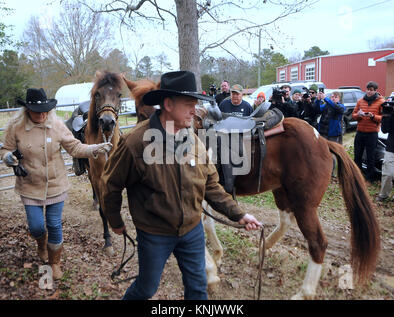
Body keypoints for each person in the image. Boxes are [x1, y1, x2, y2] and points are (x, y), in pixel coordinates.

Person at [99, 71, 261, 300]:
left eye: (195, 104)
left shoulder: (194, 141)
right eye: (188, 104)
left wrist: (240, 214)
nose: (194, 110)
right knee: (146, 288)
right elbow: (111, 185)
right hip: (154, 234)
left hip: (192, 232)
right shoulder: (135, 142)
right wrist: (115, 221)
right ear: (168, 104)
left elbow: (212, 185)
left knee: (198, 288)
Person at [0, 88, 112, 280]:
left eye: (45, 110)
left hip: (55, 184)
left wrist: (95, 148)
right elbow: (6, 149)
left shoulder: (57, 125)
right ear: (27, 110)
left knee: (54, 224)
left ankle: (55, 262)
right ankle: (41, 243)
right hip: (30, 184)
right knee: (36, 226)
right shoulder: (15, 127)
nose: (42, 114)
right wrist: (8, 157)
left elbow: (74, 147)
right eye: (37, 111)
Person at [352, 81, 385, 182]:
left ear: (375, 91)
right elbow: (353, 115)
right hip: (360, 132)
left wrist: (373, 116)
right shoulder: (360, 101)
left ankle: (370, 177)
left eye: (371, 90)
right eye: (367, 90)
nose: (369, 92)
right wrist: (359, 115)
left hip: (372, 133)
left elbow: (383, 118)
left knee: (370, 156)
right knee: (357, 154)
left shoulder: (381, 102)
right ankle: (357, 175)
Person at [377, 101, 394, 201]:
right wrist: (386, 114)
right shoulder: (391, 114)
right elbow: (384, 130)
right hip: (391, 148)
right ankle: (383, 194)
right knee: (388, 173)